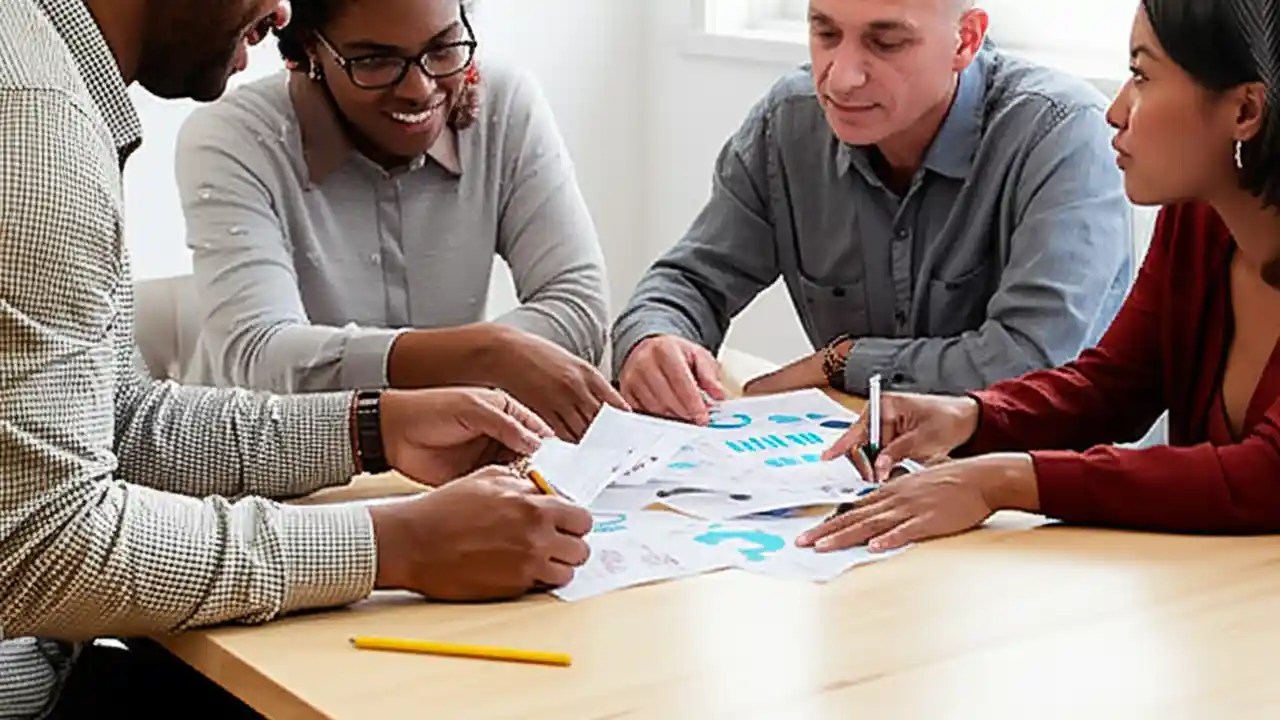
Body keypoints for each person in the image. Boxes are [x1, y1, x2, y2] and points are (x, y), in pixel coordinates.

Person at [0, 0, 593, 716]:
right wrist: (392, 543)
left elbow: (119, 422)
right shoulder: (34, 123)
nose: (282, 7)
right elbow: (39, 547)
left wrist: (371, 428)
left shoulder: (44, 80)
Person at [798, 0, 1280, 554]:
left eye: (1141, 76)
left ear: (1245, 110)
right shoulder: (1201, 218)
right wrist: (970, 418)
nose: (1116, 110)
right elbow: (1114, 387)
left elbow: (1265, 475)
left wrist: (1003, 481)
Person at [613, 0, 1133, 426]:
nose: (840, 79)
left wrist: (842, 362)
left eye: (885, 43)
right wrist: (655, 338)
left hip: (1050, 489)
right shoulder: (788, 122)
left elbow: (1028, 362)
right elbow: (690, 281)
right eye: (825, 33)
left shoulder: (1063, 135)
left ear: (966, 40)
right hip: (865, 474)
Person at [174, 0, 624, 441]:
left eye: (444, 48)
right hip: (273, 476)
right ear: (309, 49)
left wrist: (478, 361)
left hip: (451, 466)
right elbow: (261, 359)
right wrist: (486, 354)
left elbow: (578, 306)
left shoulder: (502, 105)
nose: (420, 88)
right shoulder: (234, 138)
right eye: (375, 61)